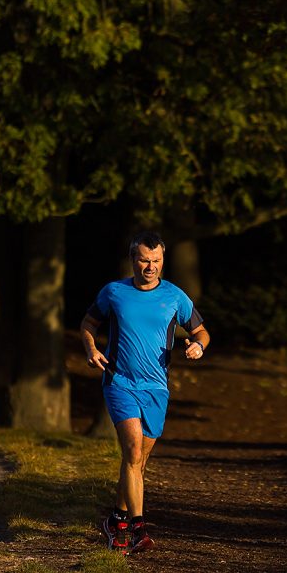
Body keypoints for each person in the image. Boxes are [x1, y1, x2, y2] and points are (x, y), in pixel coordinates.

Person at [80, 231, 210, 554]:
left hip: (156, 389)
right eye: (144, 260)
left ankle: (116, 518)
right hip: (120, 382)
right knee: (133, 452)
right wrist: (91, 348)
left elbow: (201, 331)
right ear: (132, 260)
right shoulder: (114, 292)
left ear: (162, 261)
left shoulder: (175, 297)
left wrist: (198, 346)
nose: (150, 267)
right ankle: (137, 529)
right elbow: (88, 323)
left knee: (138, 462)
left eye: (156, 261)